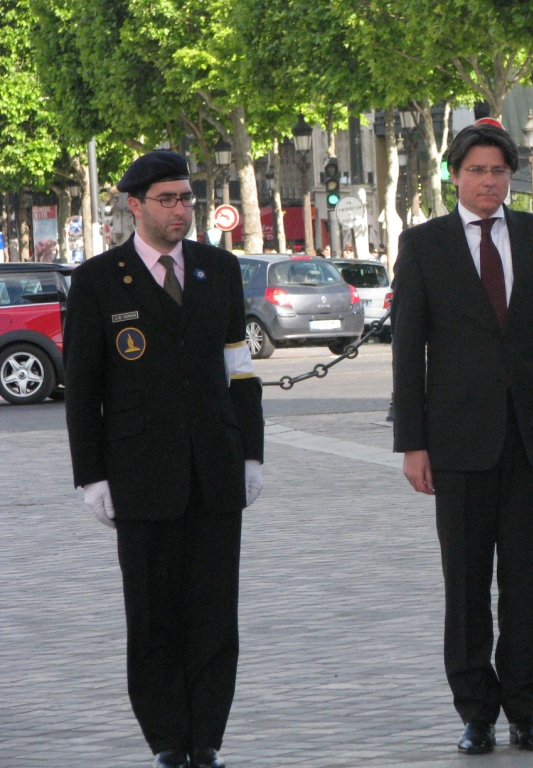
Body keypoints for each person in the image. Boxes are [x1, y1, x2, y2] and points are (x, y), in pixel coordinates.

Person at [391, 122, 533, 755]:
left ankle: (525, 710)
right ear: (455, 176)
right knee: (467, 585)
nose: (488, 182)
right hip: (456, 443)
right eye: (476, 171)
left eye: (498, 171)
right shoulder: (423, 245)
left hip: (531, 439)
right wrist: (413, 443)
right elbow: (408, 351)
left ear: (511, 177)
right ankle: (476, 712)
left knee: (527, 584)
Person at [63, 150, 265, 768]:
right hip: (140, 474)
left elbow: (240, 369)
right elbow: (84, 389)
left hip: (214, 469)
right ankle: (168, 740)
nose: (181, 210)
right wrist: (91, 476)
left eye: (187, 198)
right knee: (153, 615)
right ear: (136, 206)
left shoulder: (217, 268)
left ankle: (206, 738)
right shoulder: (99, 280)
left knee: (214, 614)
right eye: (168, 200)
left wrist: (251, 453)